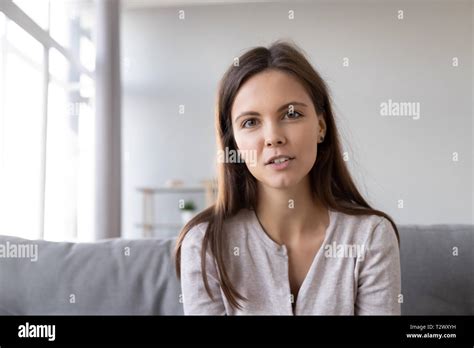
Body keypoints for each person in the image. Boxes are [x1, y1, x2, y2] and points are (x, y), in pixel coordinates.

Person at [174, 40, 401, 315]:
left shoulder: (371, 237)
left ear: (320, 126)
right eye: (250, 122)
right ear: (233, 143)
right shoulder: (204, 245)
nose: (273, 138)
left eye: (291, 114)